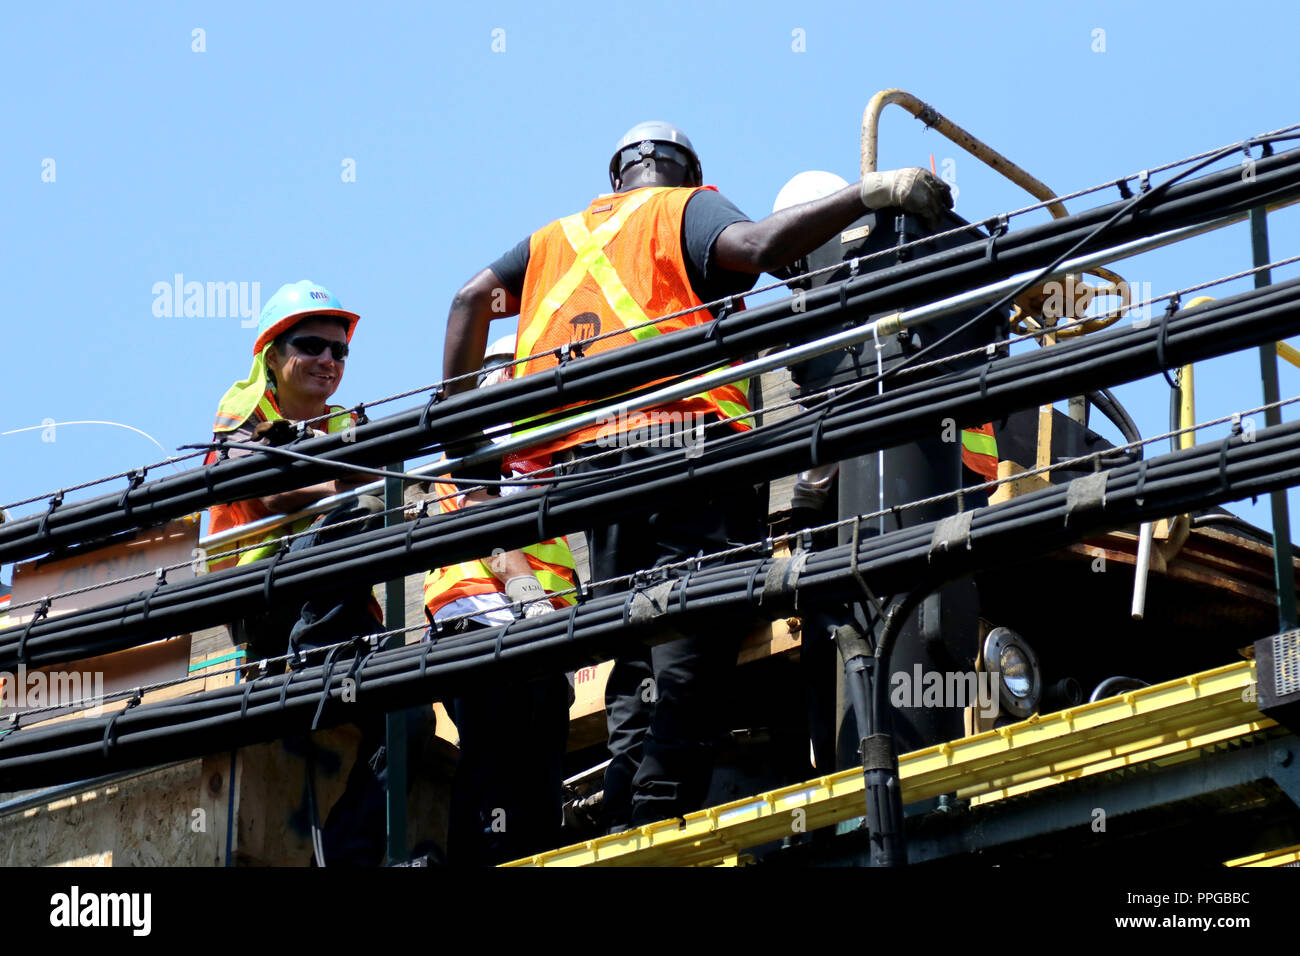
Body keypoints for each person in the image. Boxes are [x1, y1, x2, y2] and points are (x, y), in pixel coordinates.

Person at [443, 121, 953, 830]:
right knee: (695, 646)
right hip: (689, 460)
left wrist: (464, 444)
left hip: (591, 475)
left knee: (635, 650)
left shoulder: (555, 240)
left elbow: (468, 300)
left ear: (617, 175)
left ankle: (622, 811)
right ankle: (652, 817)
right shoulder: (683, 209)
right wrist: (870, 193)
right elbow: (762, 246)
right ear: (686, 172)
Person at [204, 279, 394, 866]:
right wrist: (341, 485)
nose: (328, 361)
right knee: (359, 508)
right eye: (313, 345)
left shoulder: (343, 424)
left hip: (337, 604)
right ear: (272, 353)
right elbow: (259, 492)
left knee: (405, 721)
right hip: (265, 601)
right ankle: (311, 659)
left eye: (340, 351)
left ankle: (350, 856)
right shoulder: (248, 407)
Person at [421, 336, 579, 865]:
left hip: (536, 641)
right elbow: (485, 523)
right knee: (494, 773)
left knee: (534, 785)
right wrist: (529, 594)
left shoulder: (533, 447)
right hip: (484, 631)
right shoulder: (478, 440)